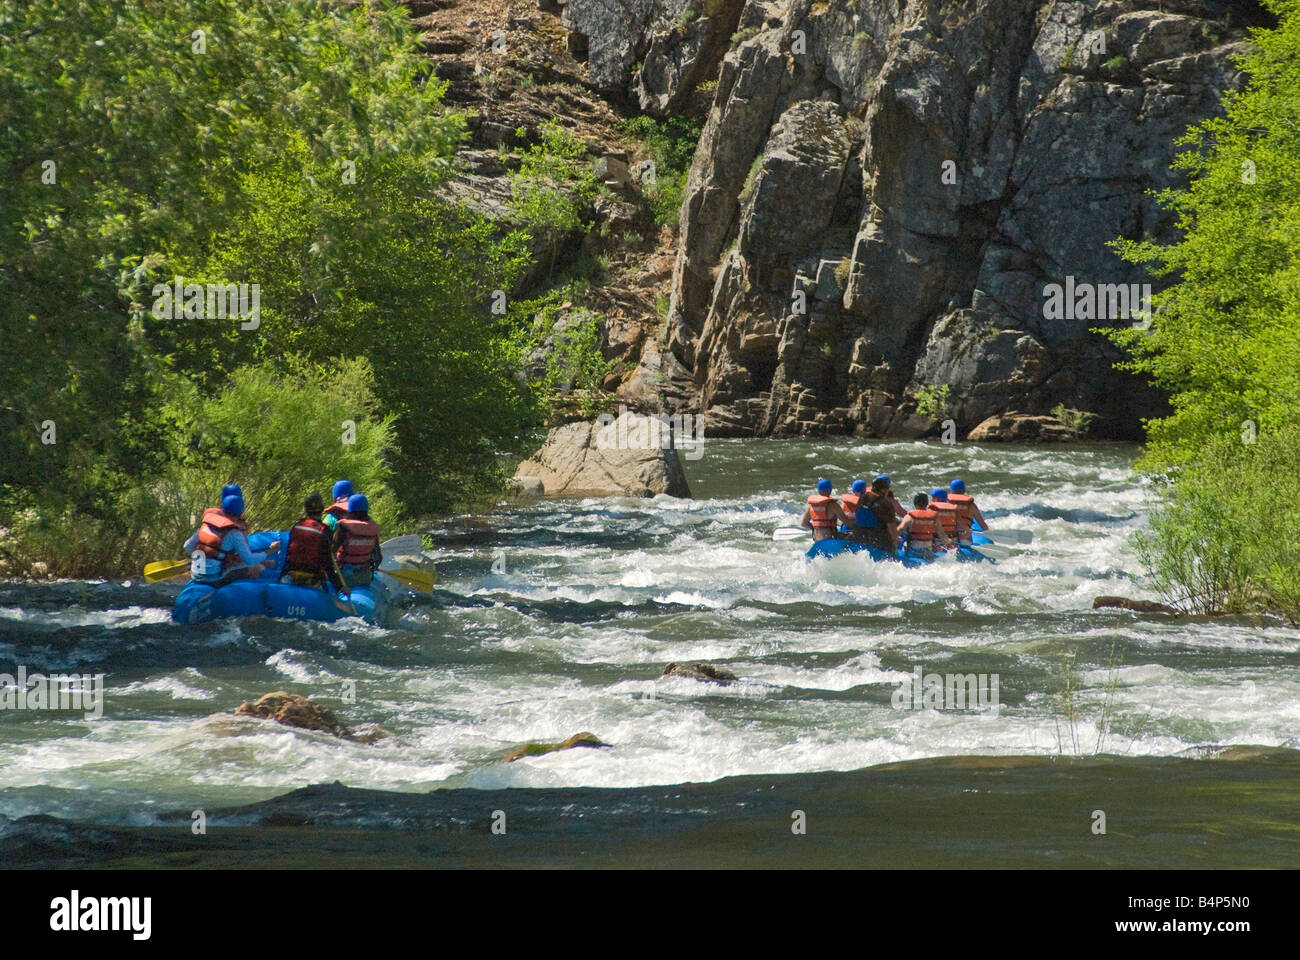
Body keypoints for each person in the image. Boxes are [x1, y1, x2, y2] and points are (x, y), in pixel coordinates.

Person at [184, 494, 280, 587]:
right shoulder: (234, 533)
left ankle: (267, 563)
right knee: (256, 568)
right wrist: (270, 551)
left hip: (195, 575)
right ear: (240, 513)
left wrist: (206, 558)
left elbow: (187, 546)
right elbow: (250, 559)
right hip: (214, 579)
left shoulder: (206, 525)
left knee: (235, 560)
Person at [281, 492, 350, 600]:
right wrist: (340, 587)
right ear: (322, 509)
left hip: (291, 577)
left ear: (305, 510)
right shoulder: (325, 531)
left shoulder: (296, 526)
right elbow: (328, 566)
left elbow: (288, 559)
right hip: (311, 581)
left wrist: (280, 578)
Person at [335, 493, 382, 586]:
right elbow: (378, 558)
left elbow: (331, 552)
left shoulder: (344, 528)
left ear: (350, 510)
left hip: (345, 577)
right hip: (365, 577)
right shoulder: (372, 529)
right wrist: (374, 569)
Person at [843, 478, 898, 553]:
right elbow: (892, 530)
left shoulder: (862, 498)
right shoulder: (886, 504)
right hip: (876, 540)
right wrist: (894, 548)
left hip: (858, 536)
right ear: (884, 490)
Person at [896, 492, 954, 561]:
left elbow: (900, 529)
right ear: (927, 504)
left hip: (913, 553)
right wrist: (950, 541)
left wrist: (894, 537)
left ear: (915, 504)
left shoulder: (909, 516)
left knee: (904, 544)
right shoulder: (934, 517)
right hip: (928, 553)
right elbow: (944, 538)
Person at [800, 478, 854, 542]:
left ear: (819, 490)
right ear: (830, 490)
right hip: (830, 539)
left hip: (817, 540)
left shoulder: (811, 506)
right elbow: (847, 522)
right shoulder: (833, 505)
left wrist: (815, 527)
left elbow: (804, 524)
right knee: (852, 536)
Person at [947, 478, 988, 546]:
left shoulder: (946, 503)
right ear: (964, 490)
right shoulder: (971, 506)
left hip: (949, 538)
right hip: (964, 538)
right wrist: (988, 533)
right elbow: (983, 525)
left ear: (951, 491)